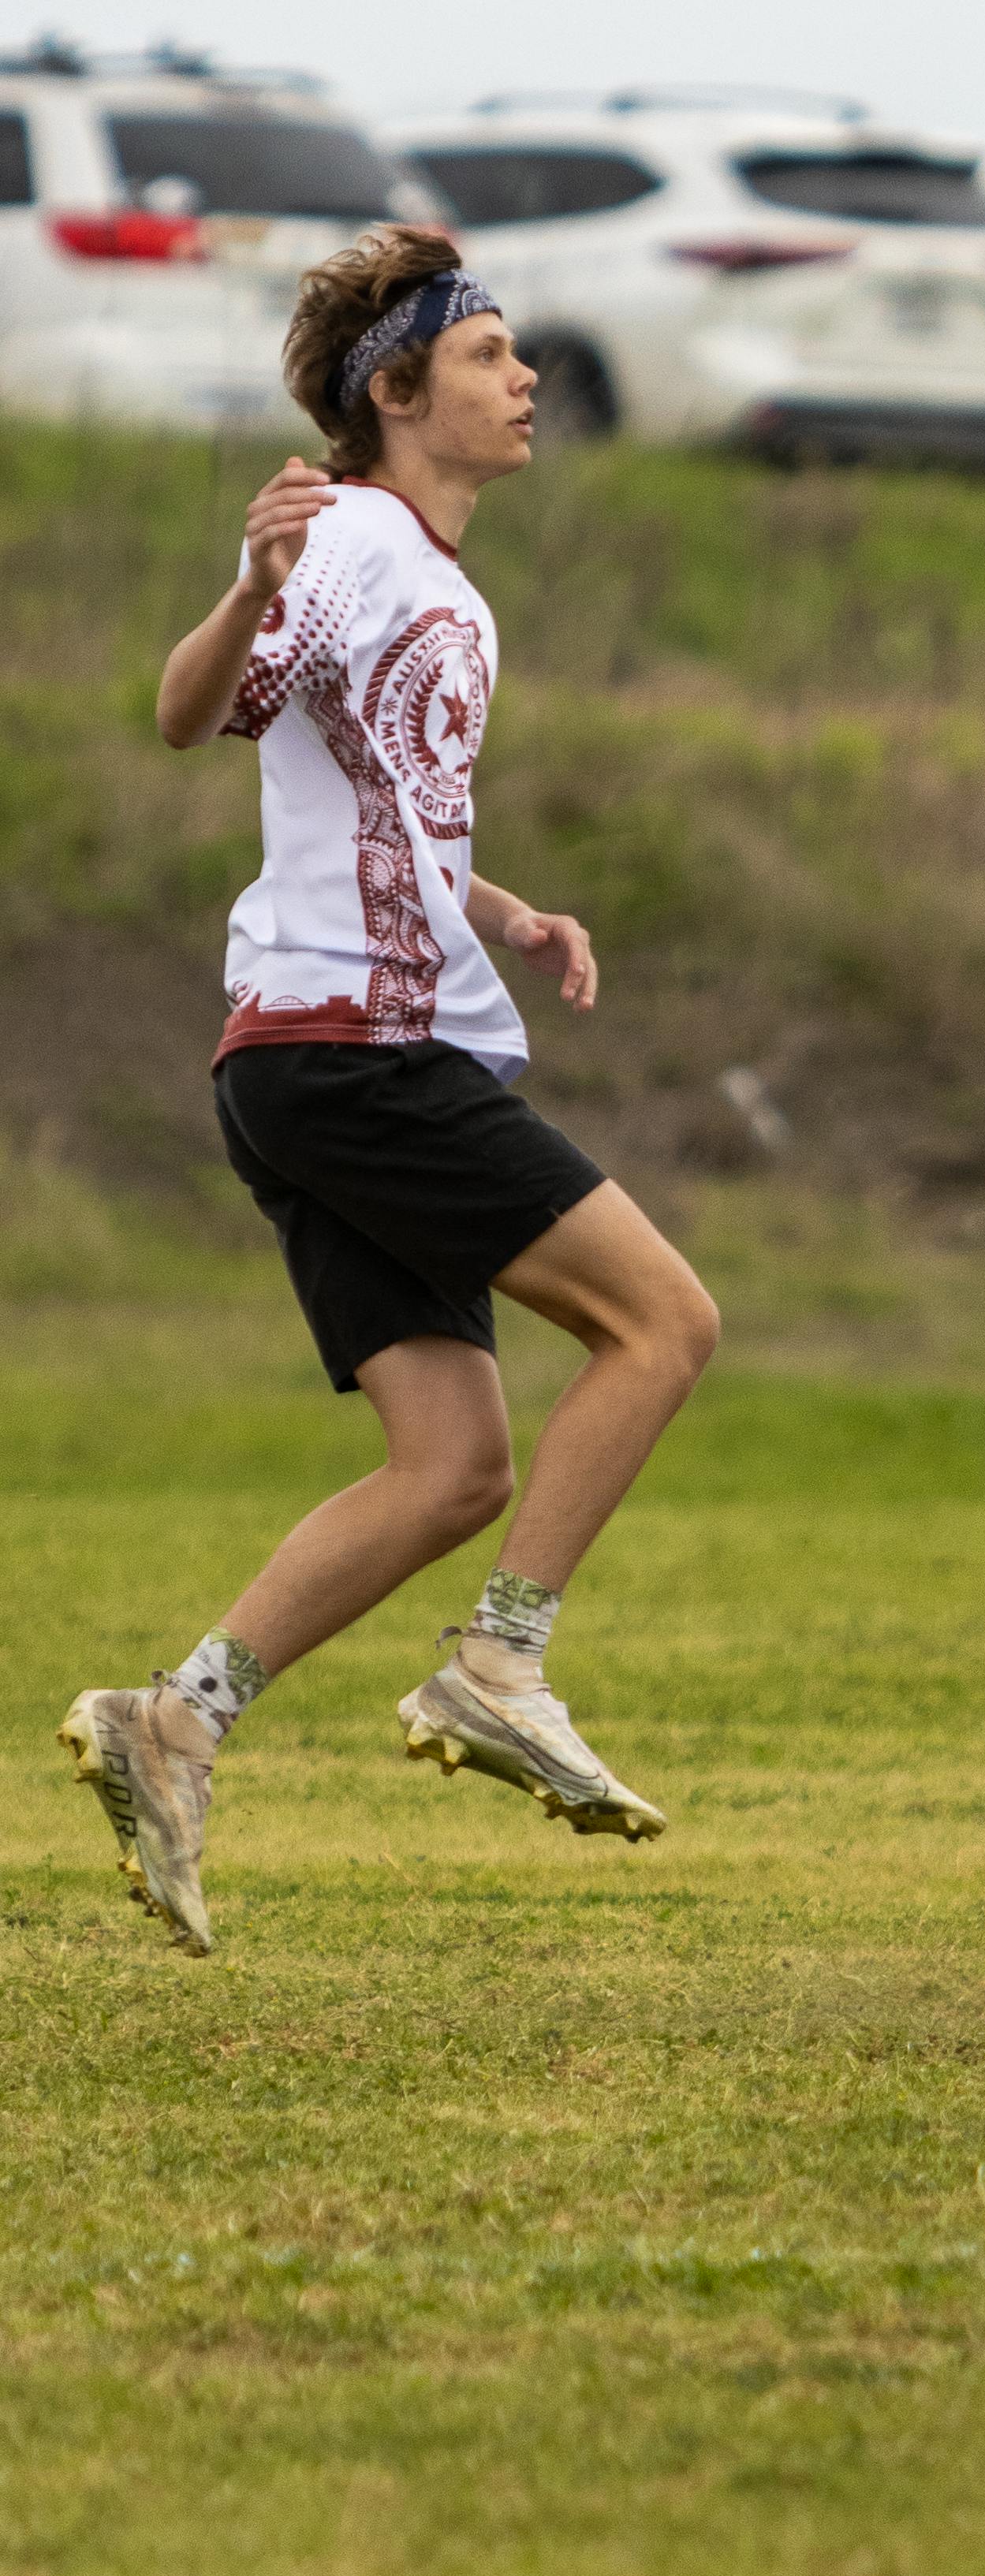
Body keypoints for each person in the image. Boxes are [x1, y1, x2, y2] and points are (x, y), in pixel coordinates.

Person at [59, 226, 719, 1960]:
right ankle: (502, 1661)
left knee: (448, 1462)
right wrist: (246, 582)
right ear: (396, 390)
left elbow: (373, 797)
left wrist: (501, 903)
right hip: (354, 1053)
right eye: (491, 354)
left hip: (303, 1054)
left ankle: (176, 1715)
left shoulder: (436, 572)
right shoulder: (350, 536)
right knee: (662, 1325)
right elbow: (197, 709)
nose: (523, 382)